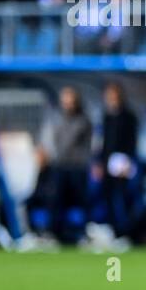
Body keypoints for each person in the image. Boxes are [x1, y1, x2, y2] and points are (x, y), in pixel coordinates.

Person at [36, 86, 94, 243]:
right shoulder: (56, 118)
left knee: (82, 201)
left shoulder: (83, 120)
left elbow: (78, 143)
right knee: (55, 200)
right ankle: (52, 234)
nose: (68, 104)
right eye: (65, 100)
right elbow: (49, 141)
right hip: (59, 166)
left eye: (70, 100)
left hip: (77, 167)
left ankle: (83, 233)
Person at [96, 81, 139, 240]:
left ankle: (125, 232)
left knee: (122, 199)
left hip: (122, 163)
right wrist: (100, 162)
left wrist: (127, 162)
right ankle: (112, 230)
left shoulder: (129, 116)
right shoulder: (106, 116)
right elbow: (102, 142)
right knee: (107, 198)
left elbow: (132, 141)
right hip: (107, 163)